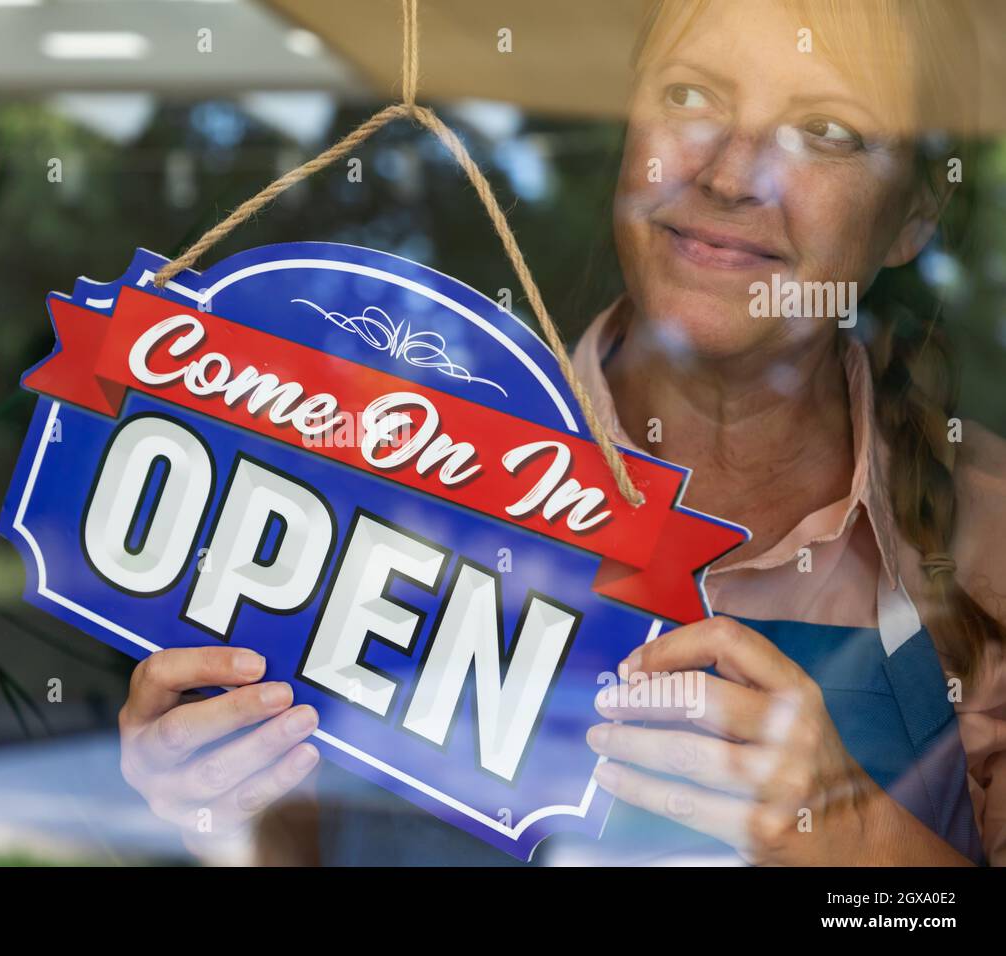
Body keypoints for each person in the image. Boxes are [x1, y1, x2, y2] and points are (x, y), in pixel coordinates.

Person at [118, 0, 1006, 865]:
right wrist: (224, 809)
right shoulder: (388, 471)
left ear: (918, 212)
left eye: (825, 128)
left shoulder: (992, 546)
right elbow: (318, 842)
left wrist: (857, 846)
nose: (733, 175)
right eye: (691, 96)